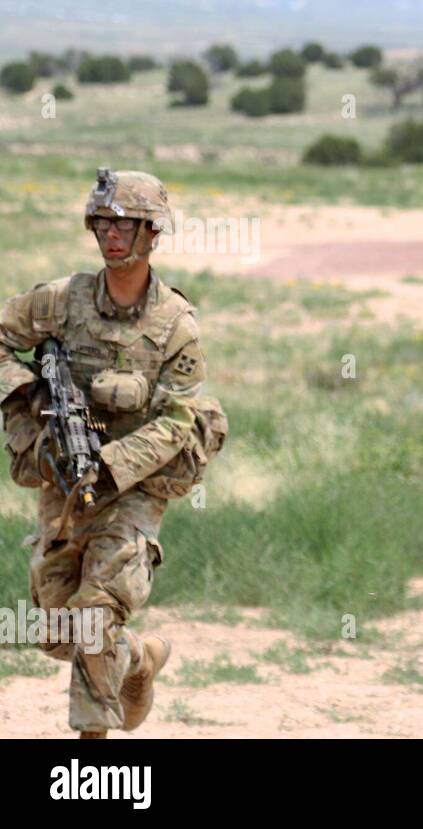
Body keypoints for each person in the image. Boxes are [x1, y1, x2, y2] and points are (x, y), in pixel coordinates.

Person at [0, 168, 226, 738]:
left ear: (153, 234)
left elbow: (177, 419)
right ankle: (140, 656)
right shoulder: (59, 301)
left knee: (94, 617)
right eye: (103, 222)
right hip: (63, 480)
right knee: (57, 629)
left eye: (126, 224)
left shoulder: (175, 325)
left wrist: (110, 466)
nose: (113, 234)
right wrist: (27, 398)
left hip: (135, 487)